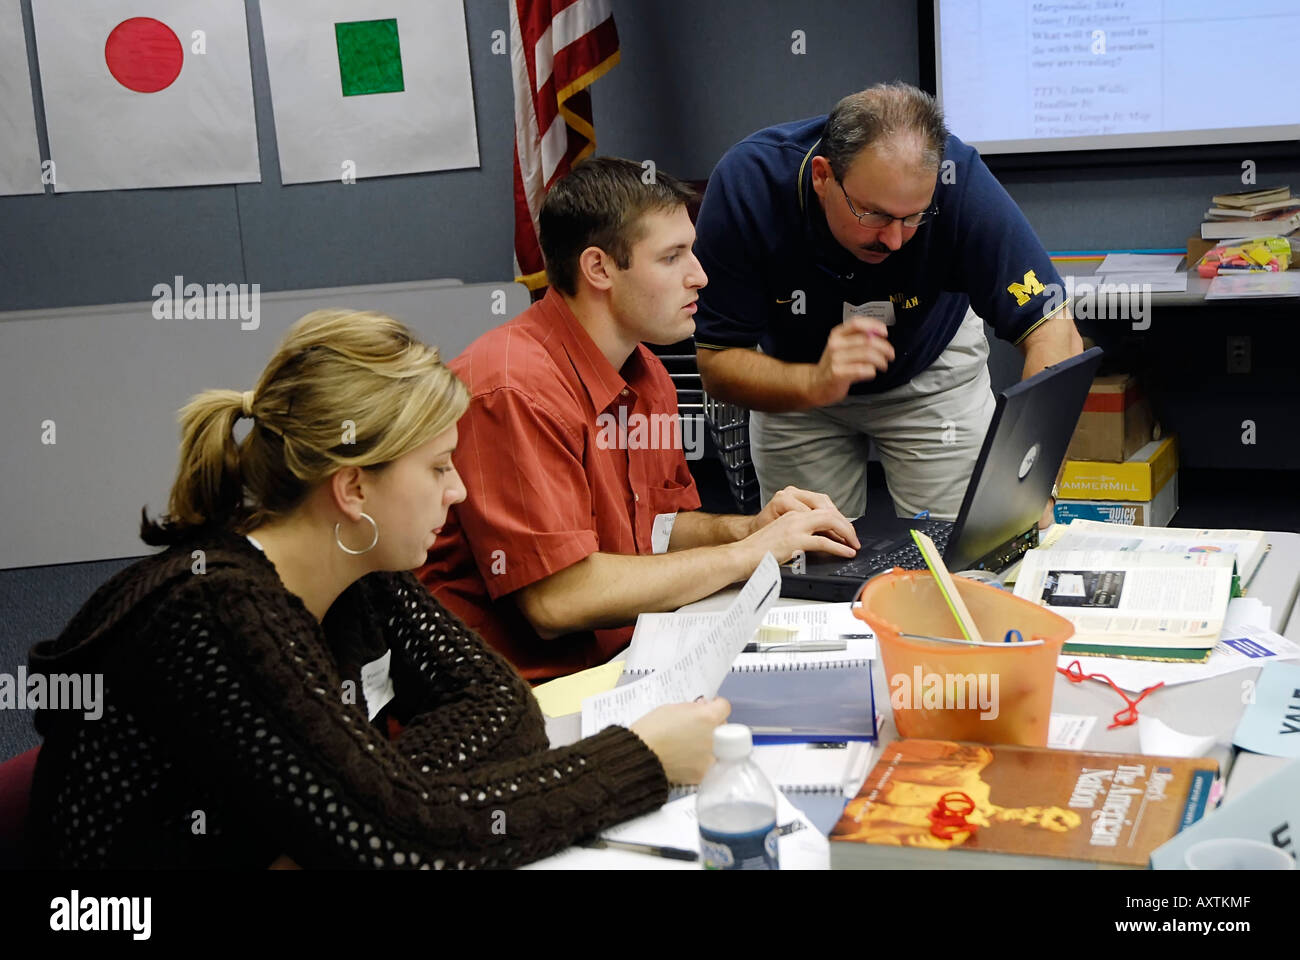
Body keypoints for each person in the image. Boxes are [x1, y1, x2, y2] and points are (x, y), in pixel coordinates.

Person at [24, 308, 729, 870]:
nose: (459, 491)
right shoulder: (217, 613)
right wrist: (642, 759)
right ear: (353, 488)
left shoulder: (360, 568)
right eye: (440, 468)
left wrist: (382, 803)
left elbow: (502, 709)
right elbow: (404, 846)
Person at [420, 157, 859, 682]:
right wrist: (750, 554)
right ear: (599, 269)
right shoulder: (512, 387)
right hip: (514, 691)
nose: (699, 276)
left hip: (625, 658)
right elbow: (558, 599)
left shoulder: (646, 372)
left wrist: (750, 527)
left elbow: (656, 529)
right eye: (672, 257)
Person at [692, 82, 1083, 525]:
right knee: (806, 551)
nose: (895, 240)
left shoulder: (958, 179)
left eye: (914, 217)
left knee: (972, 546)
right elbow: (718, 363)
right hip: (795, 386)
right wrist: (815, 382)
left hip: (932, 373)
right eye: (873, 214)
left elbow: (1054, 330)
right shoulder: (750, 183)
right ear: (822, 176)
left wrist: (1033, 484)